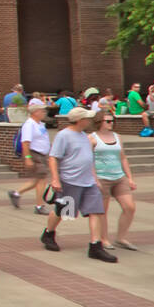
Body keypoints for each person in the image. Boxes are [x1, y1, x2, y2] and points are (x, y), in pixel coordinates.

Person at [41, 107, 117, 261]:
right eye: (87, 118)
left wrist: (95, 178)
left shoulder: (85, 136)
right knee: (65, 212)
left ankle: (95, 246)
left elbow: (88, 159)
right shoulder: (63, 136)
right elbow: (53, 157)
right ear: (79, 120)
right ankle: (48, 233)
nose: (90, 121)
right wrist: (55, 179)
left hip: (88, 181)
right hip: (70, 180)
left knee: (96, 211)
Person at [89, 109, 138, 250]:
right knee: (102, 211)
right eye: (108, 121)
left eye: (112, 121)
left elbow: (122, 157)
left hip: (118, 176)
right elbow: (89, 160)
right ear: (99, 122)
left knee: (129, 207)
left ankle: (121, 238)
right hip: (102, 177)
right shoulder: (92, 138)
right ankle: (103, 239)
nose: (111, 123)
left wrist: (129, 177)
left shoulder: (117, 136)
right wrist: (95, 179)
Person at [8, 98, 51, 214]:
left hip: (42, 154)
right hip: (34, 154)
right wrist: (28, 158)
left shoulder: (40, 124)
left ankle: (16, 193)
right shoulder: (29, 125)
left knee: (37, 180)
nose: (44, 113)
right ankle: (39, 206)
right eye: (42, 111)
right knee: (42, 179)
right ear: (35, 112)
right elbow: (25, 142)